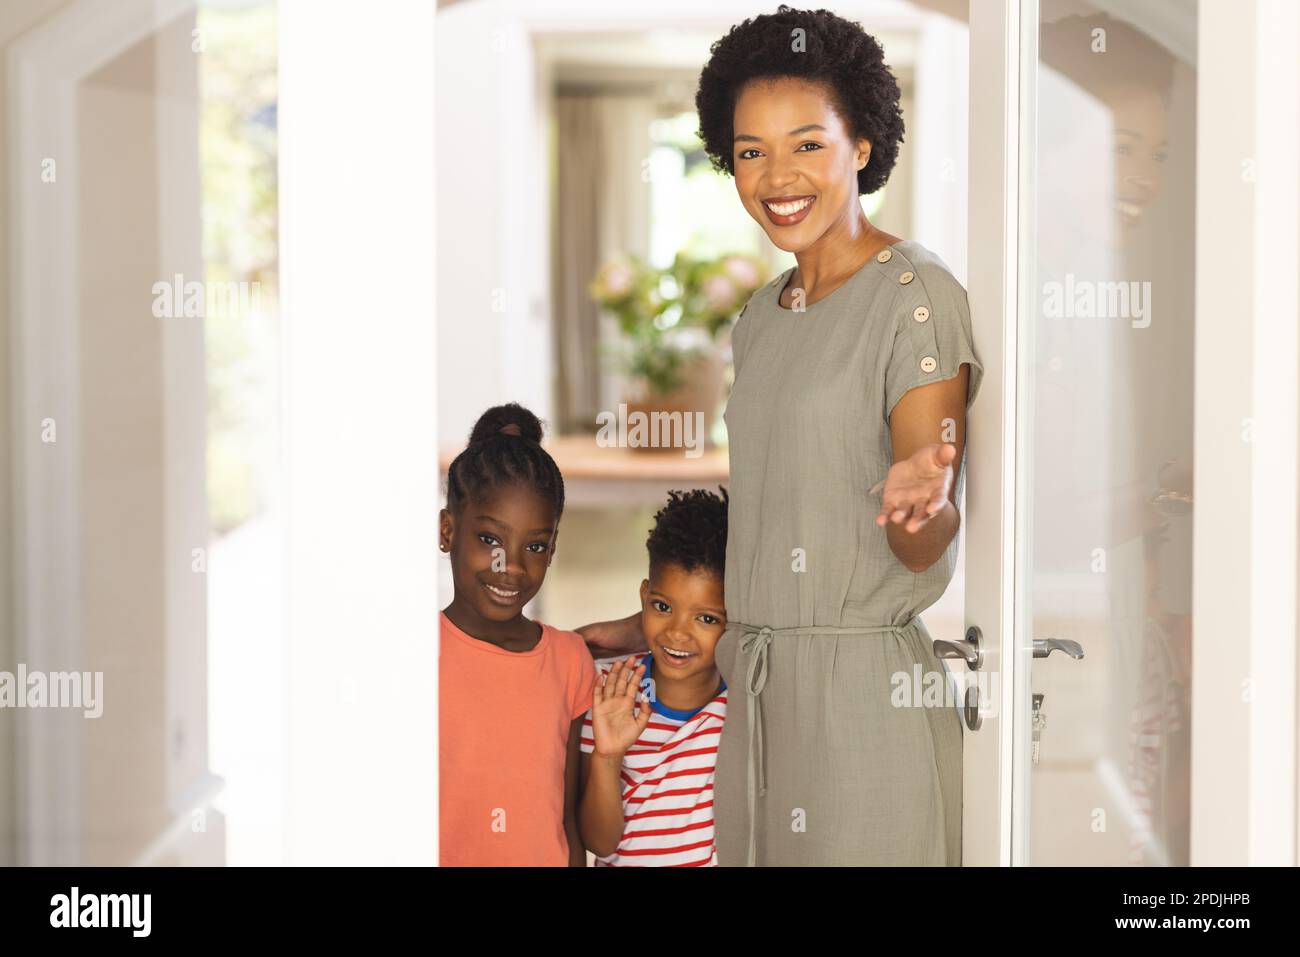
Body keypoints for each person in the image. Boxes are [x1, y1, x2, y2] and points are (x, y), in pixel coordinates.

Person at [581, 6, 984, 866]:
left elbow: (927, 531)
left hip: (861, 707)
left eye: (807, 143)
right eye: (751, 150)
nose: (776, 175)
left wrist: (923, 507)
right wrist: (636, 626)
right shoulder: (762, 317)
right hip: (756, 703)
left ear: (862, 145)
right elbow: (769, 518)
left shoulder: (916, 294)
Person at [439, 403, 596, 866]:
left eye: (534, 546)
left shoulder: (570, 660)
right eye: (490, 539)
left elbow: (566, 821)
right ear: (448, 530)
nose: (512, 565)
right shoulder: (416, 655)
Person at [579, 488, 730, 866]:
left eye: (707, 618)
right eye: (663, 607)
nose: (677, 634)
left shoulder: (744, 702)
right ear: (644, 596)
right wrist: (608, 756)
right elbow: (600, 842)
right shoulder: (610, 695)